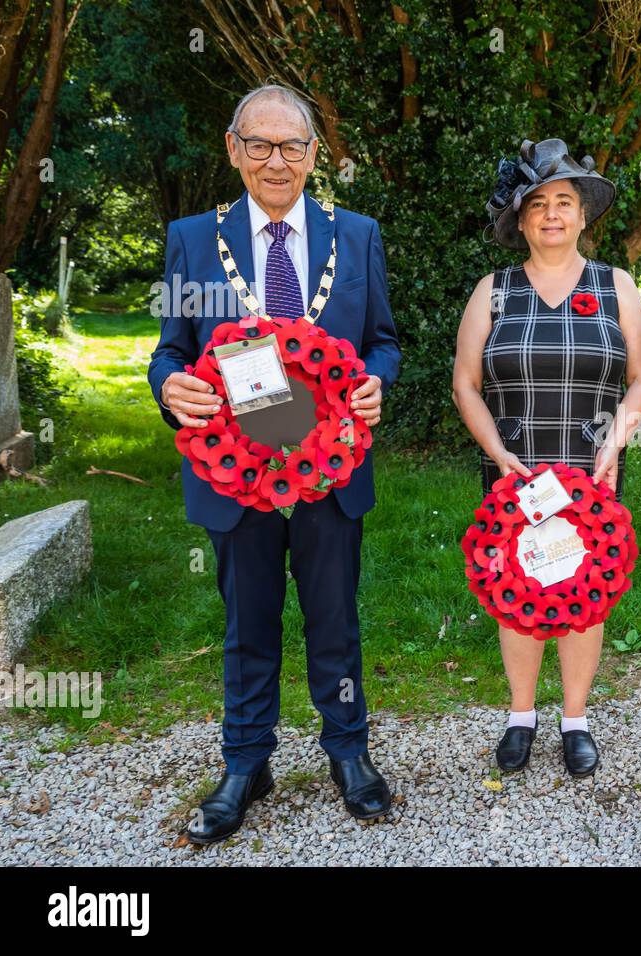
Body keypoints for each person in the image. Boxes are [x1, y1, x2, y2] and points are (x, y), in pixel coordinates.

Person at [148, 84, 402, 843]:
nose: (276, 161)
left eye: (292, 147)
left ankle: (348, 751)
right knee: (246, 622)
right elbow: (168, 349)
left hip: (329, 469)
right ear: (233, 149)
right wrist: (171, 385)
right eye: (259, 145)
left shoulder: (355, 235)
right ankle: (244, 761)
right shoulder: (193, 238)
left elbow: (383, 339)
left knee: (335, 619)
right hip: (233, 471)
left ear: (314, 155)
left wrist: (375, 382)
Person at [453, 138, 641, 777]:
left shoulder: (617, 285)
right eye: (537, 203)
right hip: (513, 476)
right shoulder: (494, 290)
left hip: (589, 476)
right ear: (520, 219)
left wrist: (617, 440)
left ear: (583, 214)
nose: (552, 214)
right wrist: (496, 450)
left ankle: (575, 719)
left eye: (564, 201)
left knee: (582, 595)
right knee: (515, 589)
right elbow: (464, 383)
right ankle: (519, 716)